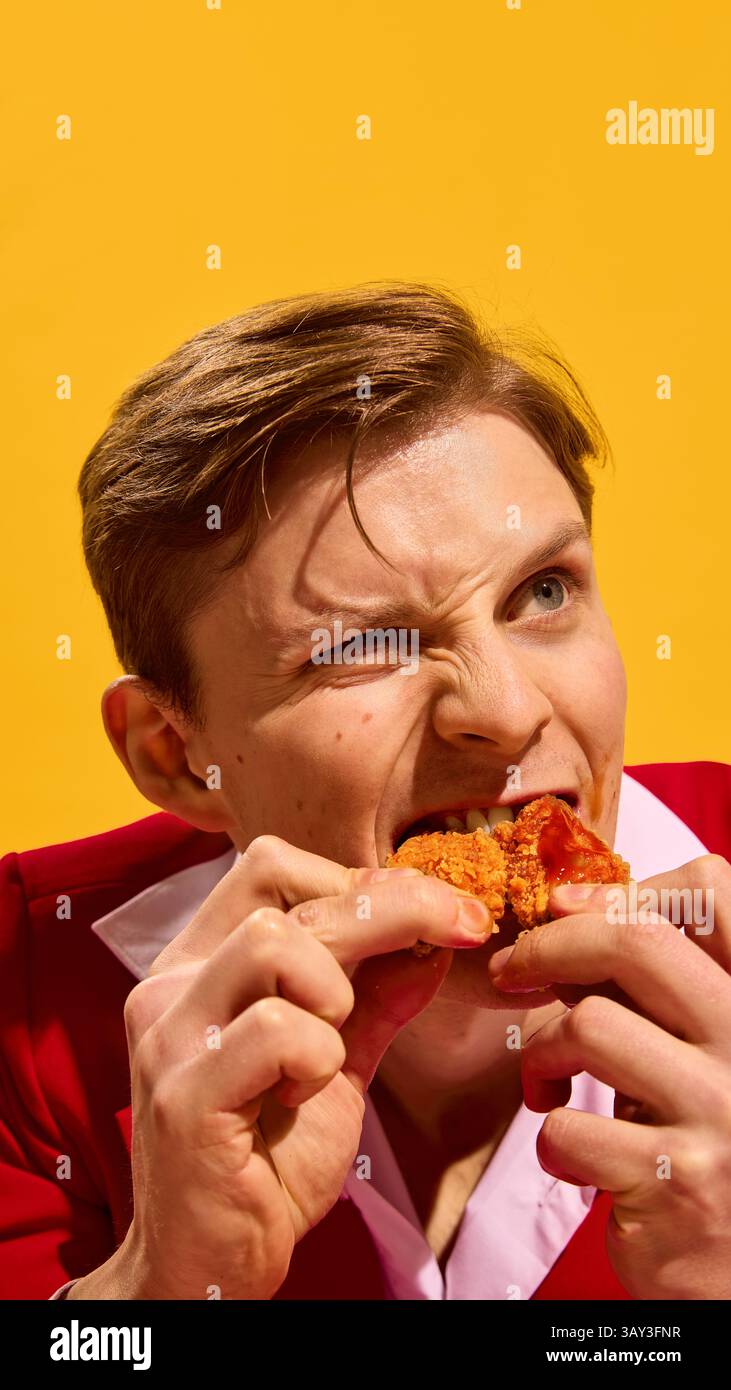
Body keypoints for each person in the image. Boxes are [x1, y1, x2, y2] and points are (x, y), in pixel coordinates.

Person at [1, 283, 729, 1301]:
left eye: (541, 591)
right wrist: (160, 1285)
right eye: (360, 648)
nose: (506, 709)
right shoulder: (24, 995)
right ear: (174, 754)